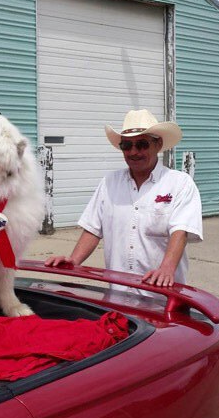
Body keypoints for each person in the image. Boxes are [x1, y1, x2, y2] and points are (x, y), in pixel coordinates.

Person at [45, 109, 202, 288]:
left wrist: (166, 269)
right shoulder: (109, 183)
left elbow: (180, 231)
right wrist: (73, 260)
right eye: (126, 145)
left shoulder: (180, 184)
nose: (133, 152)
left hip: (162, 293)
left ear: (158, 144)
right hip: (118, 294)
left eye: (141, 144)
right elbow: (93, 229)